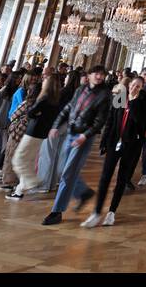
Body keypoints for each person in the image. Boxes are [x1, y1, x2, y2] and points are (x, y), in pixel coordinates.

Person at [42, 65, 111, 226]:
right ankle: (83, 192)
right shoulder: (81, 89)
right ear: (89, 75)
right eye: (97, 74)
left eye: (102, 74)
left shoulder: (104, 95)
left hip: (83, 137)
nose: (100, 77)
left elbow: (99, 121)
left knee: (67, 173)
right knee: (61, 170)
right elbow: (69, 108)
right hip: (71, 132)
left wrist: (85, 135)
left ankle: (56, 211)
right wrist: (56, 125)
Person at [83, 75, 146, 227]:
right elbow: (110, 119)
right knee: (105, 177)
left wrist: (134, 104)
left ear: (141, 89)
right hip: (114, 141)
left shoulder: (143, 103)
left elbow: (142, 125)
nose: (134, 88)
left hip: (131, 145)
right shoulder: (120, 97)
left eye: (138, 87)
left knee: (122, 178)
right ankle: (96, 212)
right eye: (133, 85)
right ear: (129, 85)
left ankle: (111, 212)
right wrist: (104, 141)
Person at [6, 74, 64, 200]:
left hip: (33, 131)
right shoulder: (56, 100)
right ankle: (19, 191)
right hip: (42, 132)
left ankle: (32, 181)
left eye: (45, 80)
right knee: (29, 161)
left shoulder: (44, 98)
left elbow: (31, 113)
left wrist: (35, 113)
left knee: (18, 160)